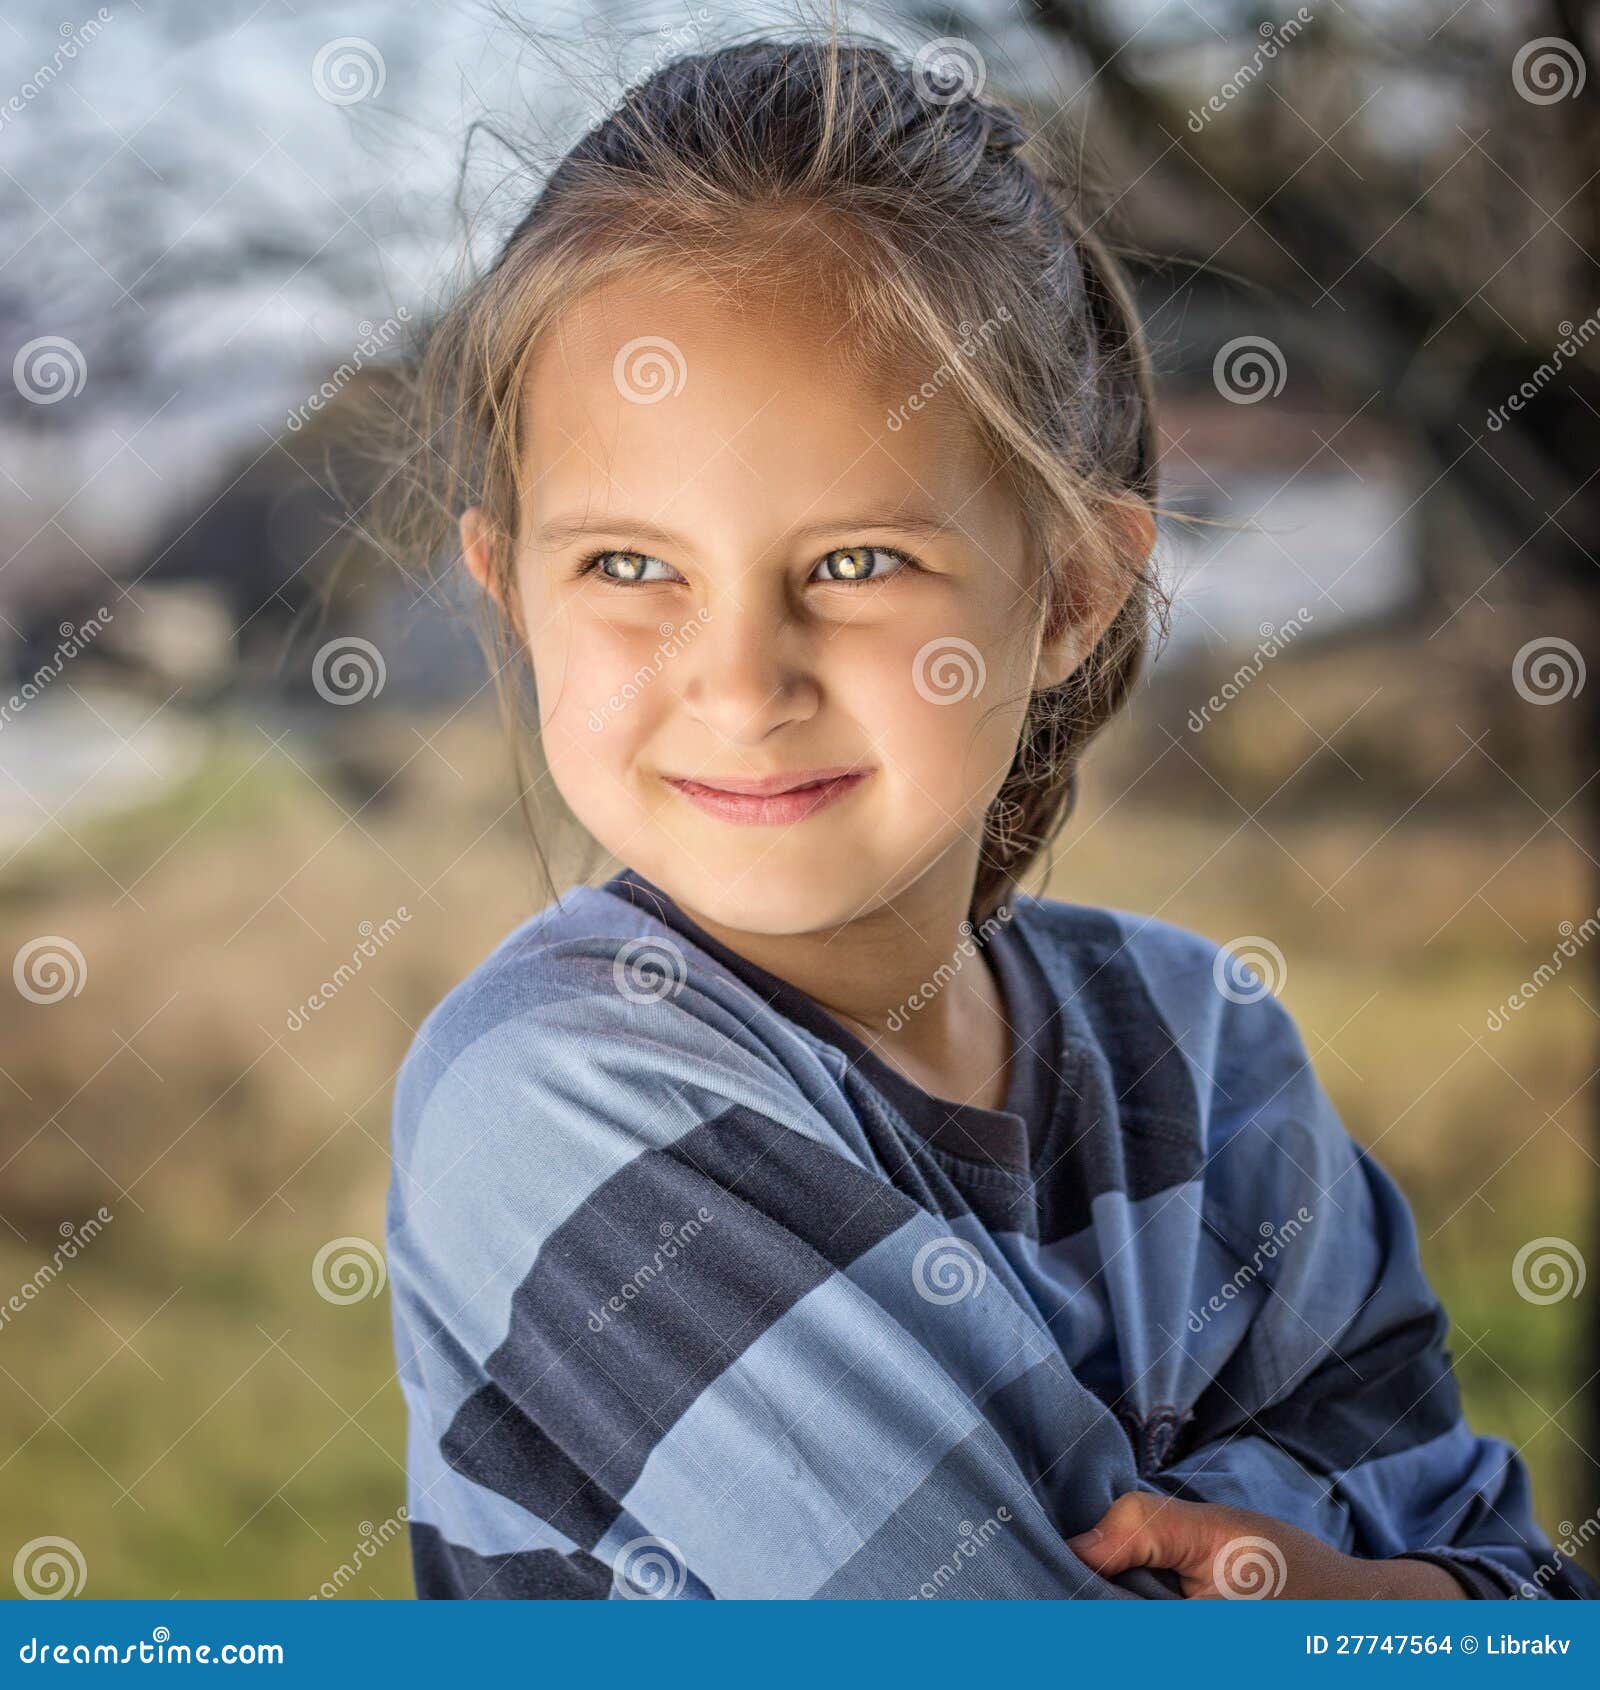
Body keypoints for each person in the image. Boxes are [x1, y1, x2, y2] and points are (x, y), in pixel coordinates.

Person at [381, 25, 1597, 1601]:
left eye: (858, 563)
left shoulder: (1209, 1050)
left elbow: (1515, 1595)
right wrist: (1304, 1565)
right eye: (629, 567)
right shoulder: (548, 1098)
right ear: (513, 587)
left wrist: (1378, 1595)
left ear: (1071, 589)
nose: (741, 681)